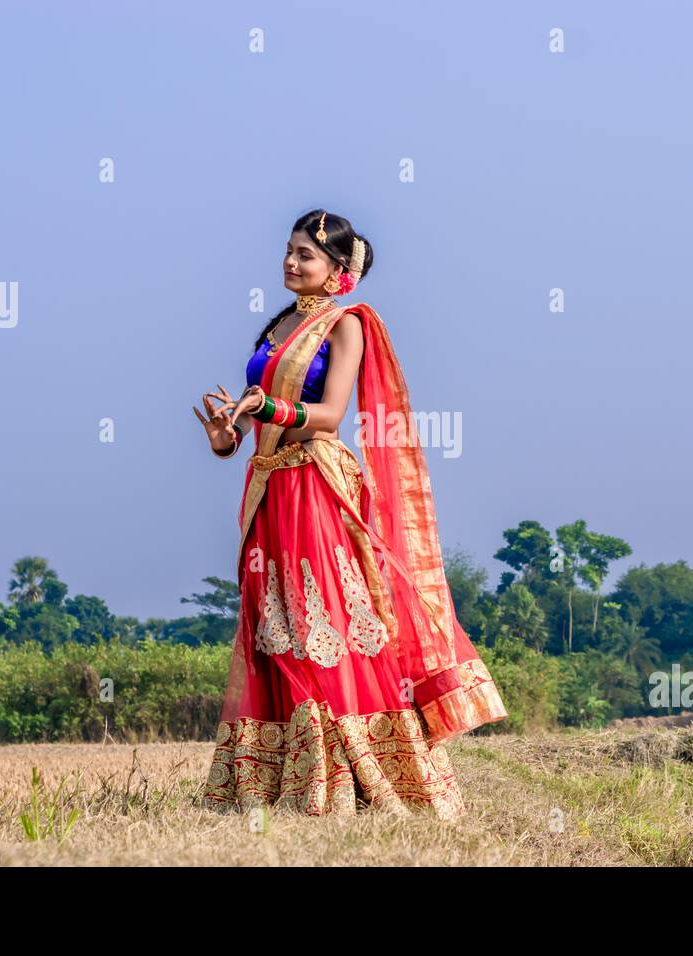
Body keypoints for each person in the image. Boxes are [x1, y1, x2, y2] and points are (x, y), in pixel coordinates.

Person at [192, 209, 507, 820]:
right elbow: (258, 420)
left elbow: (332, 414)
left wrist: (270, 407)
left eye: (306, 255)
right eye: (288, 249)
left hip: (315, 485)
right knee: (274, 628)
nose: (291, 262)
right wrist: (225, 437)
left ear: (339, 271)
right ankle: (284, 781)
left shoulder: (346, 326)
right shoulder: (278, 324)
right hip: (267, 488)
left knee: (324, 626)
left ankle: (353, 778)